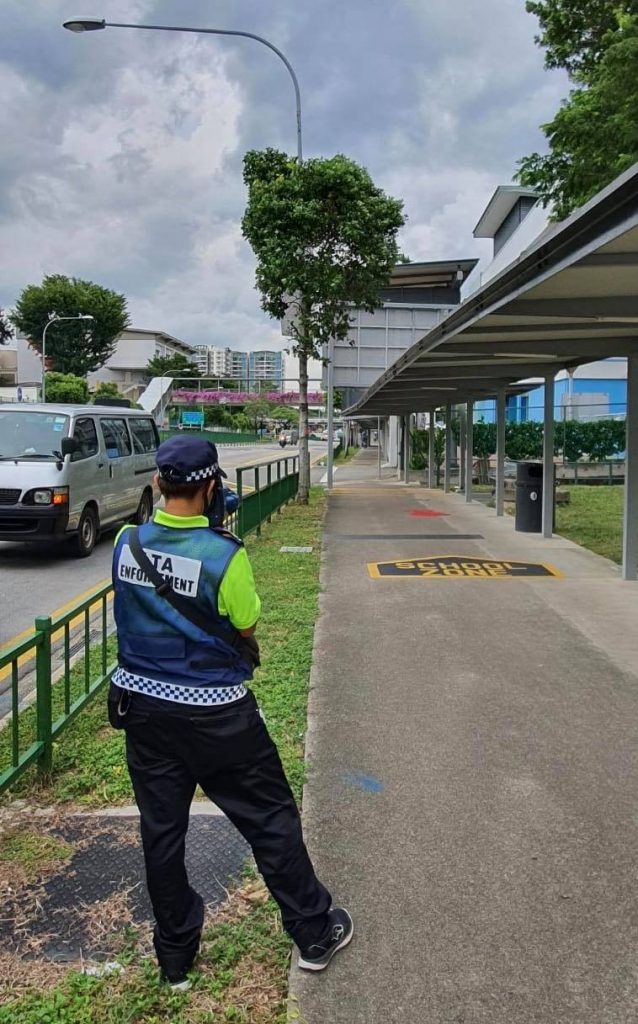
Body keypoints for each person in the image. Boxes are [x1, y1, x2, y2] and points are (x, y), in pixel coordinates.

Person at [108, 435, 353, 989]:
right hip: (220, 719)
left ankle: (175, 958)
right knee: (270, 821)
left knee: (162, 834)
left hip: (144, 713)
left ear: (157, 485)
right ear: (213, 488)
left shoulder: (126, 542)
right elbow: (245, 625)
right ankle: (314, 932)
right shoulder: (226, 555)